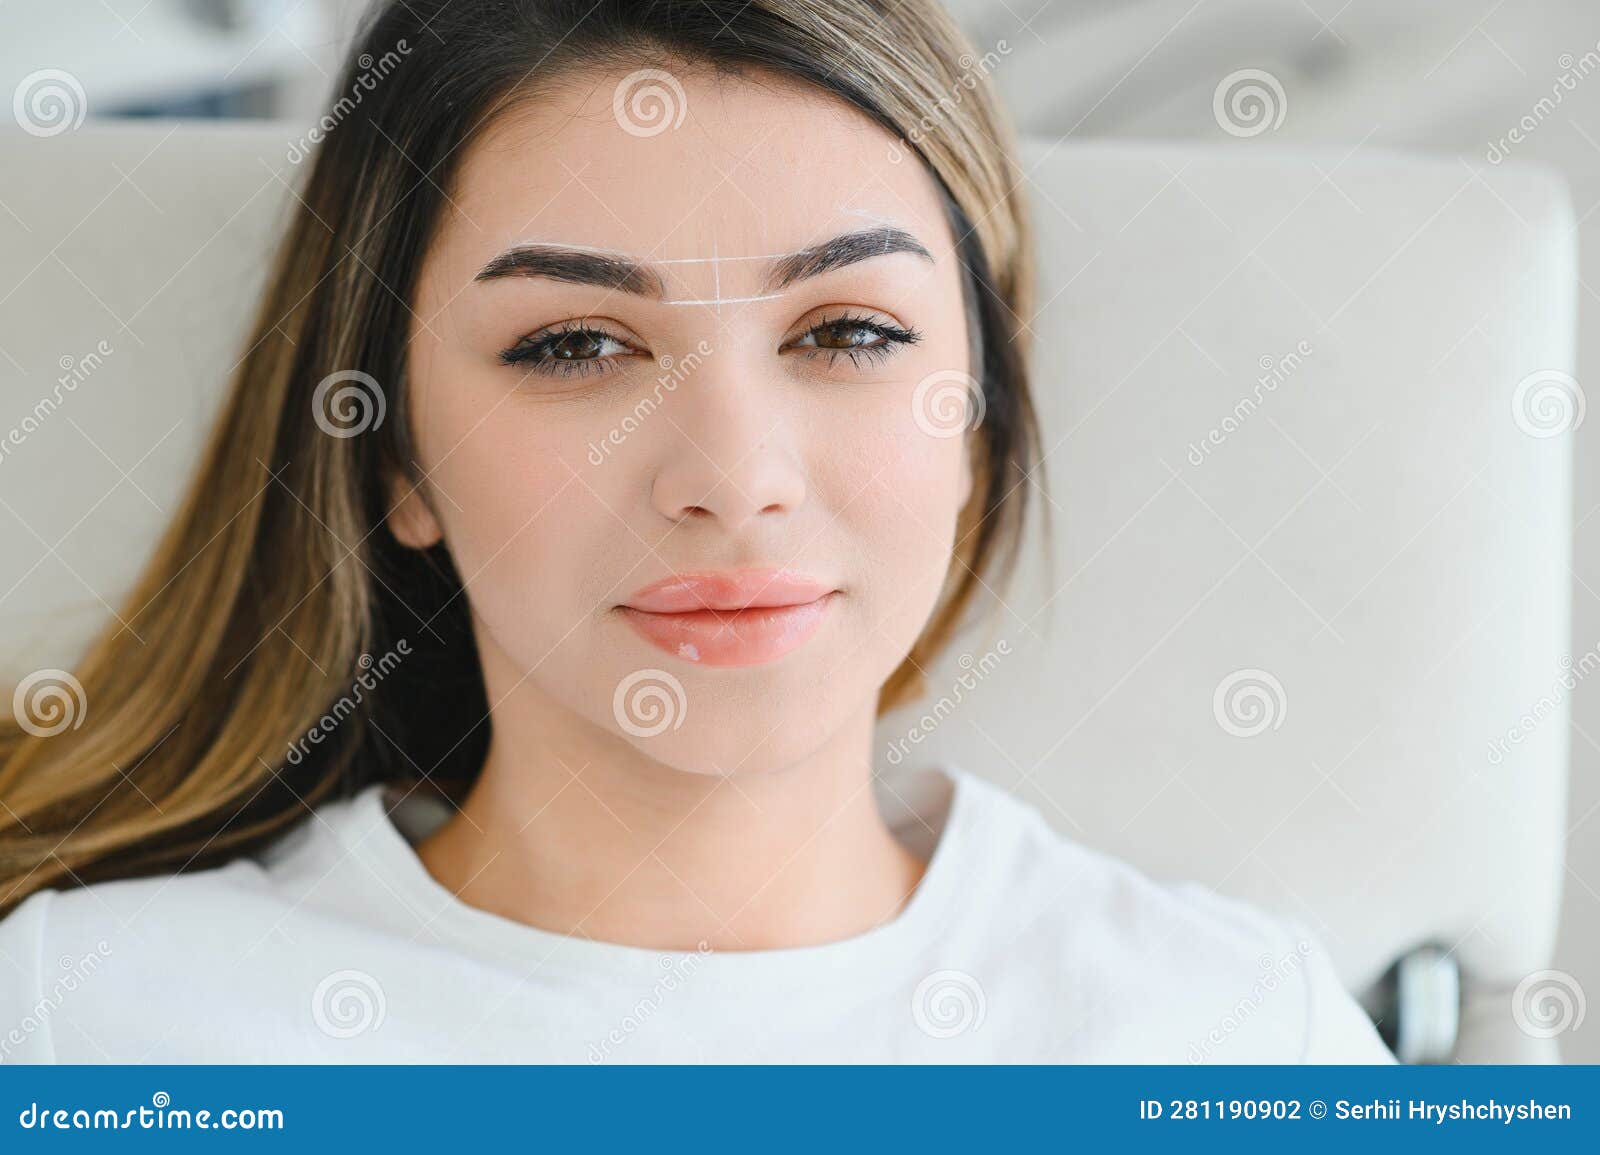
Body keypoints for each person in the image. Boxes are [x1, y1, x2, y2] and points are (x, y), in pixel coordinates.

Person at [0, 0, 1394, 1063]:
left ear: (979, 413)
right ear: (395, 457)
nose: (734, 478)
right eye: (573, 345)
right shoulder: (88, 1022)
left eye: (849, 332)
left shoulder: (1235, 1036)